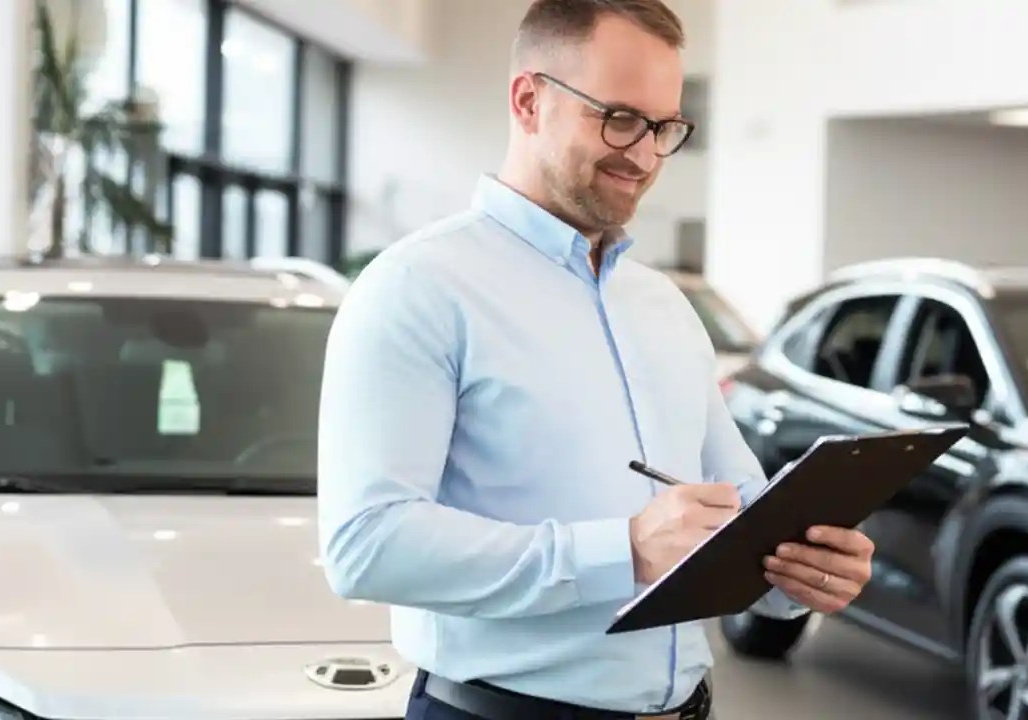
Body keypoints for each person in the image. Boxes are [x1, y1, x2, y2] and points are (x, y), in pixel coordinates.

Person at [316, 1, 875, 718]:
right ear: (529, 100)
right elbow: (367, 544)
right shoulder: (418, 287)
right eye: (618, 118)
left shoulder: (665, 307)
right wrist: (626, 549)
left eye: (665, 127)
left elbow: (734, 505)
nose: (644, 155)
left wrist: (798, 571)